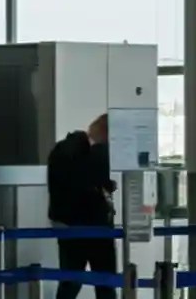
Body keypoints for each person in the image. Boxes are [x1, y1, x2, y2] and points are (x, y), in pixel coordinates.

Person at [47, 114, 118, 299]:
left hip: (69, 226)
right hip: (93, 226)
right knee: (105, 284)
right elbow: (87, 183)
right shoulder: (91, 152)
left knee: (70, 283)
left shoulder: (63, 148)